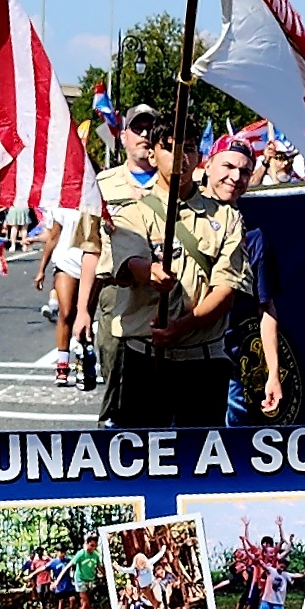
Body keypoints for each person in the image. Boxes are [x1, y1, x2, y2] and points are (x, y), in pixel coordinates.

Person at [108, 115, 249, 428]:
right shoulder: (134, 211)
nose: (181, 158)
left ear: (199, 156)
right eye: (170, 148)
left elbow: (227, 289)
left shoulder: (226, 218)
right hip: (145, 359)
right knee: (141, 459)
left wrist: (183, 326)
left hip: (203, 361)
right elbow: (128, 264)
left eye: (189, 149)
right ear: (152, 154)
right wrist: (150, 272)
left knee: (201, 461)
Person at [91, 104, 162, 424]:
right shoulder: (103, 185)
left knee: (161, 385)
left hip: (166, 293)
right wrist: (80, 312)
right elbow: (90, 247)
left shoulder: (178, 182)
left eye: (151, 128)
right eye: (138, 128)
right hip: (115, 293)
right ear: (123, 137)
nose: (145, 135)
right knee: (117, 381)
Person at [206, 140, 284, 424]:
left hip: (226, 364)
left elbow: (266, 308)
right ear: (208, 165)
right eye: (227, 166)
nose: (235, 177)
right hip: (175, 359)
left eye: (244, 171)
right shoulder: (176, 217)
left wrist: (272, 373)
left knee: (225, 456)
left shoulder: (253, 236)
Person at [33, 207, 99, 386]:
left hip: (92, 261)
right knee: (67, 311)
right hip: (66, 261)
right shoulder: (62, 207)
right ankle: (62, 364)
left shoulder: (97, 204)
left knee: (86, 315)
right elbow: (53, 237)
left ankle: (83, 363)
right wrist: (41, 270)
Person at [68, 531, 103, 609]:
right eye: (91, 545)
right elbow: (70, 565)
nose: (92, 548)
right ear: (87, 543)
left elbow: (99, 567)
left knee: (84, 602)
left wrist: (106, 575)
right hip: (80, 580)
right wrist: (58, 580)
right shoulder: (81, 553)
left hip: (90, 580)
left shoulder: (96, 555)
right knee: (86, 603)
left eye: (95, 546)